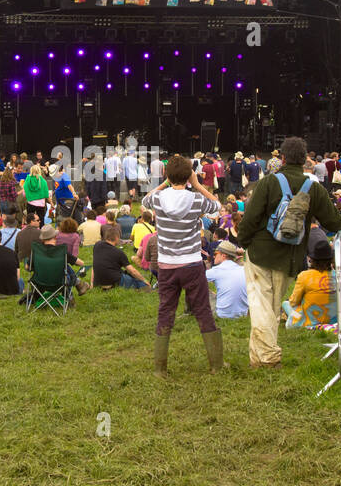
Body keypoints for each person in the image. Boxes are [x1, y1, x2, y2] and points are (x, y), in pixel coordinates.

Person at [238, 136, 341, 370]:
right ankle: (259, 358)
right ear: (305, 160)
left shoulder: (268, 183)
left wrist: (244, 243)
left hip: (260, 253)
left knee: (261, 306)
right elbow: (332, 220)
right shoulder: (314, 188)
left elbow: (250, 218)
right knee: (273, 308)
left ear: (283, 158)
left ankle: (268, 358)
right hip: (289, 258)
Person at [142, 153, 224, 374]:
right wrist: (196, 185)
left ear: (167, 175)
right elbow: (218, 208)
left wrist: (166, 182)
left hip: (166, 265)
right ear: (189, 175)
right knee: (203, 310)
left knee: (165, 311)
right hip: (191, 264)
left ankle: (160, 368)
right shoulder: (196, 199)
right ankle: (216, 365)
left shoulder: (157, 199)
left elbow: (144, 201)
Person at [284, 248, 341, 329]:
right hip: (336, 320)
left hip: (310, 320)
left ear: (312, 260)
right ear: (332, 260)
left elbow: (294, 302)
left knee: (286, 304)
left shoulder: (304, 276)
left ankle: (292, 317)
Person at [91, 224, 151, 290]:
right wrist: (144, 280)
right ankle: (148, 288)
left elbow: (94, 265)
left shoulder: (97, 245)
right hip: (114, 282)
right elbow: (132, 271)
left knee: (124, 272)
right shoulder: (119, 252)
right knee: (138, 281)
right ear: (117, 237)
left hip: (98, 283)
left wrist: (92, 283)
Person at [206, 240, 249, 319]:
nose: (213, 256)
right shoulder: (243, 269)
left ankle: (188, 312)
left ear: (223, 255)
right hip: (243, 314)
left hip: (222, 314)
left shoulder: (216, 270)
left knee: (196, 286)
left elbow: (194, 280)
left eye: (215, 254)